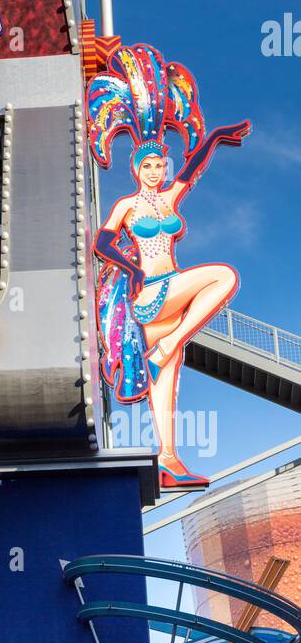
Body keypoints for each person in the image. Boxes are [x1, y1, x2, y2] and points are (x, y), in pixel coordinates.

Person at [87, 43, 250, 489]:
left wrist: (215, 137)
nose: (157, 170)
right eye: (149, 164)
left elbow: (193, 166)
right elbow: (102, 241)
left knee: (166, 384)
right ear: (137, 168)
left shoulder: (170, 197)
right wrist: (131, 267)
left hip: (168, 311)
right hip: (151, 294)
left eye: (162, 164)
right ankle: (167, 346)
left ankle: (170, 461)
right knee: (224, 275)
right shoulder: (126, 204)